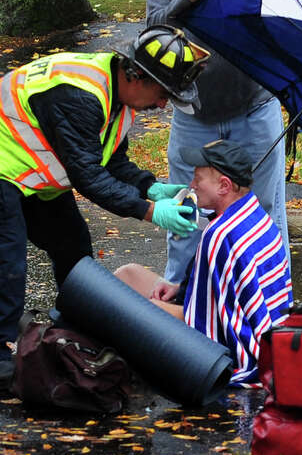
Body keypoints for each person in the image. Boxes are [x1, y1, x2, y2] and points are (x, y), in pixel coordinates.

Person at [0, 25, 210, 392]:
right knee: (8, 254)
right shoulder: (79, 95)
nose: (163, 105)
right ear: (136, 74)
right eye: (164, 93)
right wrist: (150, 211)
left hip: (31, 166)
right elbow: (88, 178)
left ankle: (69, 333)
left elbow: (110, 162)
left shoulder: (117, 99)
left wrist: (152, 186)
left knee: (73, 246)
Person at [142, 0, 296, 302]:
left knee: (265, 209)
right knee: (187, 203)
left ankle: (274, 297)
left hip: (254, 105)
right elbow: (152, 27)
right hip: (194, 112)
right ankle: (181, 286)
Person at [114, 139, 292, 386]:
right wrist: (182, 288)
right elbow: (224, 291)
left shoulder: (220, 234)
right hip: (262, 337)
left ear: (224, 186)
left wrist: (145, 307)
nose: (191, 185)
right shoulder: (255, 213)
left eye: (198, 178)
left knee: (116, 304)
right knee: (127, 275)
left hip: (225, 348)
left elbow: (201, 327)